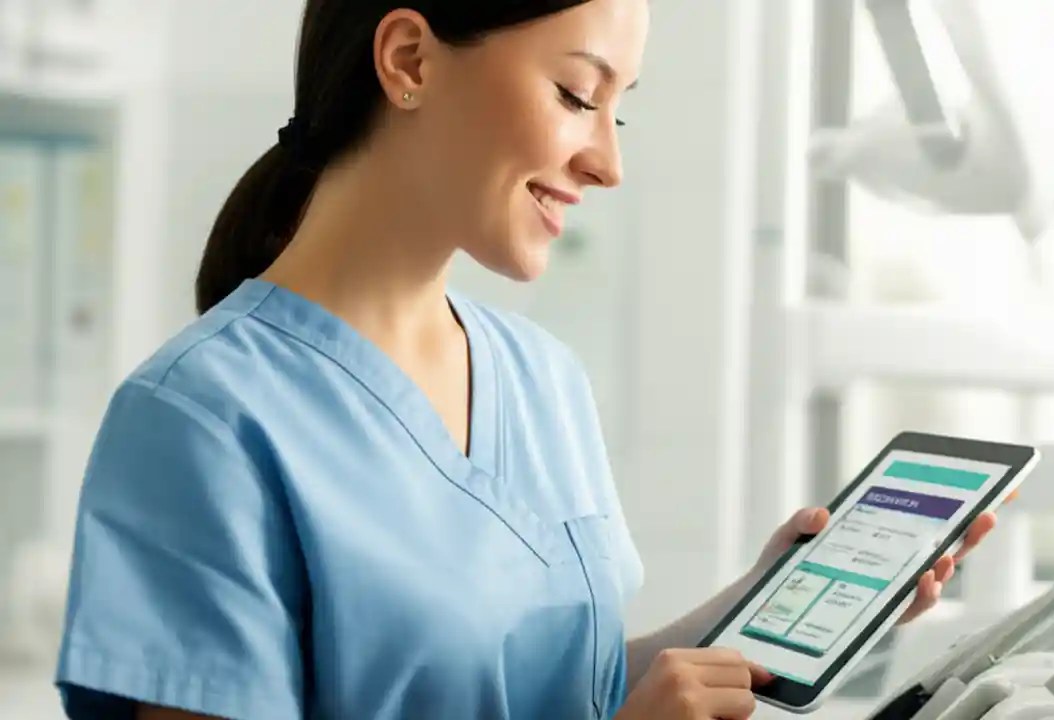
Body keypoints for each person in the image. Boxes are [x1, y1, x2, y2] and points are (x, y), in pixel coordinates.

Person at [53, 2, 996, 719]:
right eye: (578, 96)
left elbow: (540, 684)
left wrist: (756, 604)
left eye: (616, 114)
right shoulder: (201, 420)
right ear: (410, 60)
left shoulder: (540, 377)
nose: (605, 163)